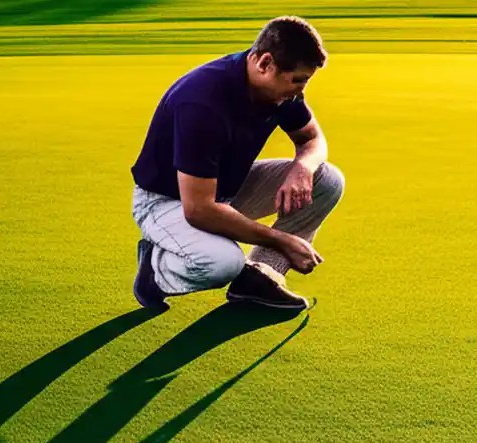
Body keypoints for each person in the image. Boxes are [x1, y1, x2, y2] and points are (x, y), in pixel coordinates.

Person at [129, 16, 344, 312]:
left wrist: (303, 168)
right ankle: (157, 271)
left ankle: (257, 279)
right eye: (298, 80)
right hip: (167, 203)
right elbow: (199, 210)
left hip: (223, 192)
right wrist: (281, 240)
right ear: (265, 63)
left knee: (328, 181)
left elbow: (312, 140)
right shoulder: (202, 102)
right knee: (223, 263)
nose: (299, 91)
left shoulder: (280, 93)